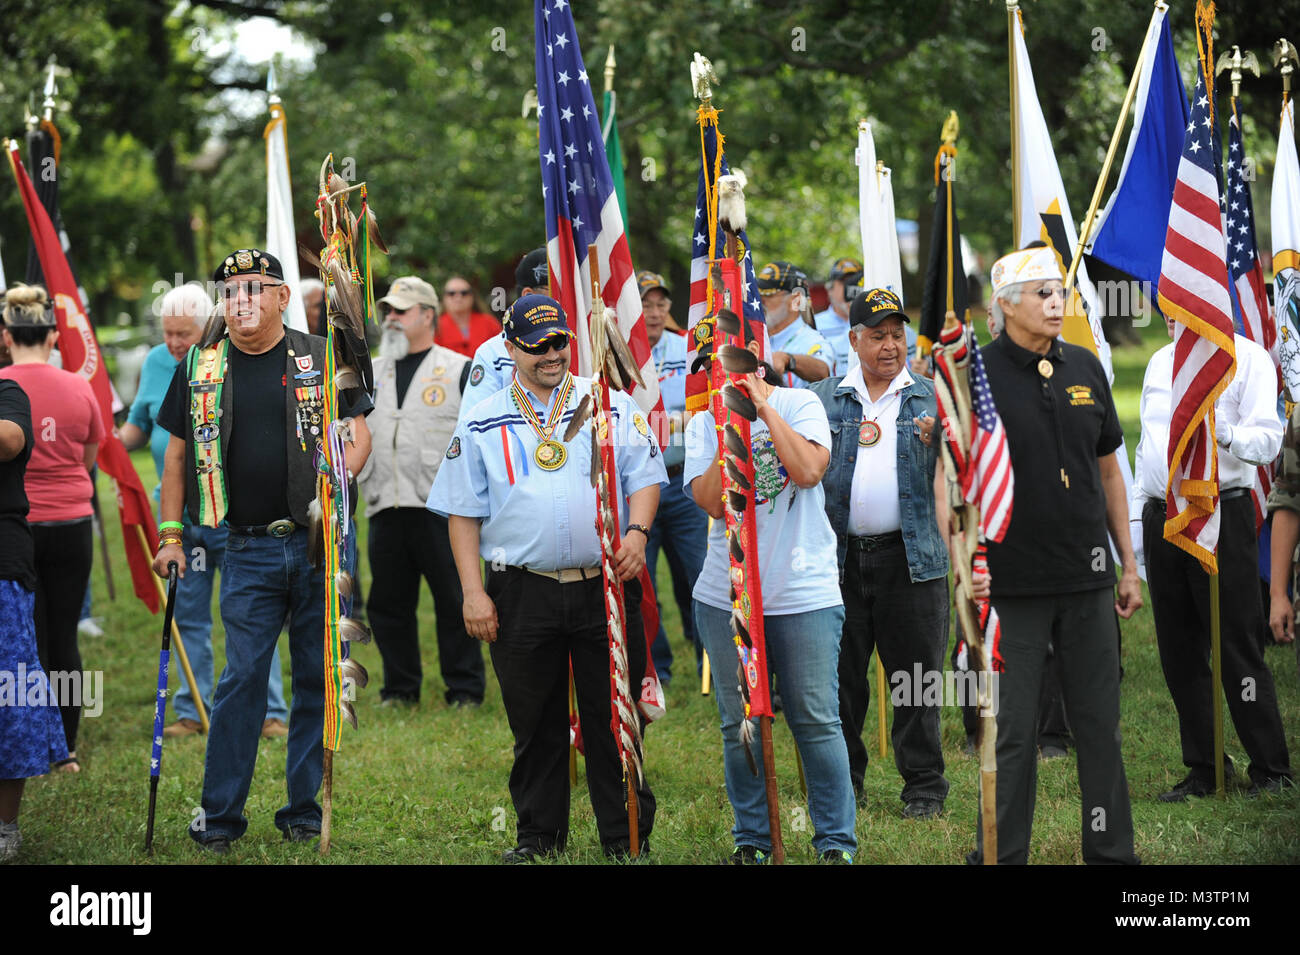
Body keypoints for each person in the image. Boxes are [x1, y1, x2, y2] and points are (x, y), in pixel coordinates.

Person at [429, 293, 663, 862]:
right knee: (535, 720)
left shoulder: (605, 402)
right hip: (520, 589)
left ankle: (624, 834)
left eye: (560, 342)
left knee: (613, 715)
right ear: (511, 349)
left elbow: (646, 473)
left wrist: (636, 533)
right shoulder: (481, 418)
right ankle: (538, 836)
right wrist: (473, 592)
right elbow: (463, 511)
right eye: (537, 346)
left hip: (602, 583)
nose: (552, 354)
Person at [153, 249, 372, 853]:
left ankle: (302, 810)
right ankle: (219, 817)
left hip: (317, 545)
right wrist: (171, 537)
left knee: (315, 681)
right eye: (229, 292)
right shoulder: (200, 363)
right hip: (246, 549)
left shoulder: (322, 357)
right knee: (241, 679)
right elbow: (175, 460)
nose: (240, 301)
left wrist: (335, 489)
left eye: (254, 288)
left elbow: (359, 436)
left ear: (281, 298)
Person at [968, 246, 1140, 865]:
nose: (1055, 302)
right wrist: (967, 568)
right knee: (1013, 732)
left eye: (1059, 292)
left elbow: (1110, 473)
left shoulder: (1086, 367)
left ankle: (1112, 852)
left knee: (1098, 722)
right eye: (1041, 293)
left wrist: (1129, 563)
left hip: (1088, 576)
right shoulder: (976, 376)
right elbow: (952, 480)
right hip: (1009, 585)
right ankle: (1002, 852)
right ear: (1006, 305)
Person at [686, 319, 856, 863]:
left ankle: (834, 842)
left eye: (742, 359)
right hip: (726, 593)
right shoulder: (700, 422)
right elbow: (713, 502)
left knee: (814, 715)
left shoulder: (801, 403)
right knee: (741, 720)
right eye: (721, 362)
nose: (733, 369)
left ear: (760, 359)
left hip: (802, 591)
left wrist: (762, 410)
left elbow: (807, 472)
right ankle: (752, 841)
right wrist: (726, 426)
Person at [810, 288, 963, 819]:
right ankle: (843, 785)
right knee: (840, 681)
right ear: (854, 340)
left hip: (913, 560)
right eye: (878, 335)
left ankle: (923, 787)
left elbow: (968, 468)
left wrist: (944, 439)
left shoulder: (932, 398)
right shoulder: (822, 398)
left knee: (916, 679)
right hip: (837, 563)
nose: (891, 345)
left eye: (897, 334)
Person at [120, 283, 289, 738]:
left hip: (231, 515)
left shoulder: (227, 361)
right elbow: (138, 424)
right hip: (179, 516)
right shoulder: (158, 362)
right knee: (188, 613)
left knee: (253, 616)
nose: (174, 343)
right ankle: (193, 709)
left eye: (183, 334)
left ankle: (270, 712)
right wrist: (109, 443)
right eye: (168, 333)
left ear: (207, 327)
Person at [1135, 311, 1292, 799]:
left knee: (1236, 645)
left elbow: (1269, 440)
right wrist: (1142, 533)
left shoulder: (1248, 360)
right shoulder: (1161, 363)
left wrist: (1225, 434)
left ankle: (1270, 769)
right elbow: (1148, 448)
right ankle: (1205, 768)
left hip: (1223, 512)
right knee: (1179, 650)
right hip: (1165, 514)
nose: (1172, 316)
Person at [360, 275, 485, 706]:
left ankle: (465, 689)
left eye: (401, 310)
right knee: (388, 605)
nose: (390, 318)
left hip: (441, 508)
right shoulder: (367, 372)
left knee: (455, 601)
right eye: (387, 311)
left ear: (428, 315)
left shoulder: (458, 369)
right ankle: (399, 689)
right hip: (384, 503)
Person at [0, 284, 104, 774]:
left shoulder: (3, 386)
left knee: (24, 639)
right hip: (71, 522)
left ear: (6, 335)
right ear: (51, 333)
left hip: (16, 527)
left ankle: (29, 744)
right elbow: (88, 458)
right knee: (64, 635)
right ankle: (66, 749)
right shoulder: (78, 386)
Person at [0, 366, 69, 858]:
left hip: (3, 564)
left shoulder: (7, 393)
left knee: (10, 699)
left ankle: (5, 826)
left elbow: (9, 442)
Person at [638, 270, 707, 685]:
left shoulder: (687, 349)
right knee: (642, 584)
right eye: (645, 304)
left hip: (685, 483)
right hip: (639, 486)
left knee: (703, 578)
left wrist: (660, 423)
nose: (655, 312)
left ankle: (710, 664)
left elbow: (702, 410)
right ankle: (654, 668)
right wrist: (671, 421)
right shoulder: (621, 353)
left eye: (661, 303)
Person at [459, 249, 549, 419]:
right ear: (528, 295)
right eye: (559, 289)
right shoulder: (493, 352)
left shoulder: (586, 341)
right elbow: (474, 423)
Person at [755, 261, 834, 388]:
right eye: (758, 295)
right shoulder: (757, 337)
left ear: (795, 299)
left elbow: (823, 371)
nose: (760, 301)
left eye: (768, 295)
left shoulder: (813, 341)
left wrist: (789, 360)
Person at [436, 275, 501, 358]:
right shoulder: (436, 326)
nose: (458, 297)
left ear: (472, 296)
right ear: (444, 298)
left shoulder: (489, 323)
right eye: (451, 293)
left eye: (464, 293)